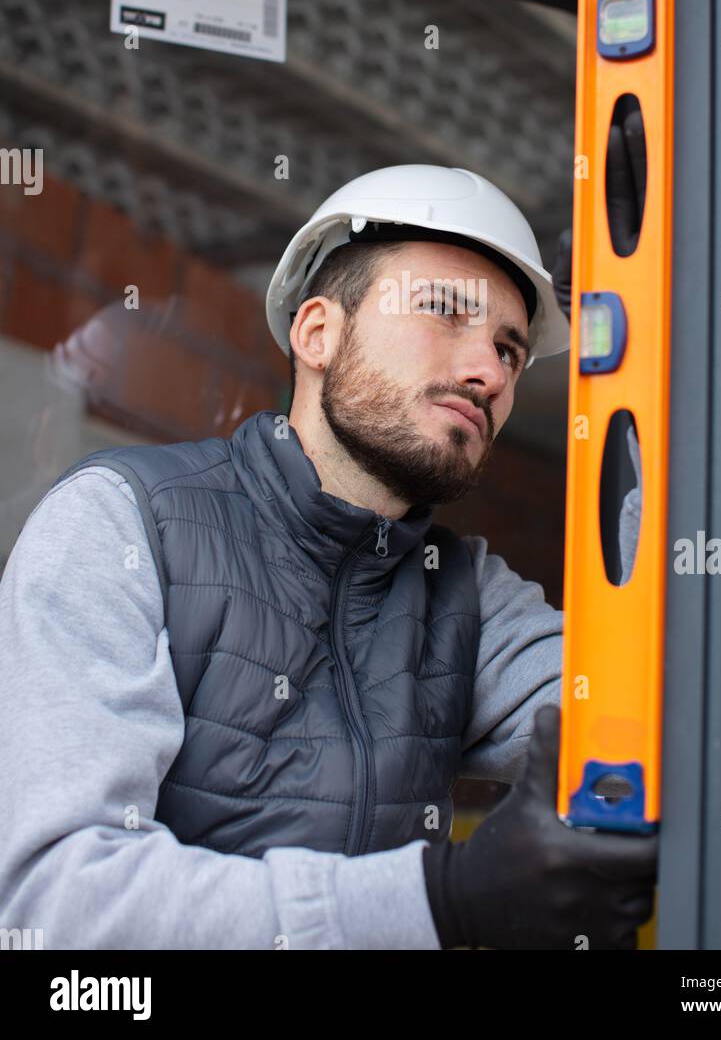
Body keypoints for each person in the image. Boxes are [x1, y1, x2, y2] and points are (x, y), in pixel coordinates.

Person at [0, 161, 655, 951]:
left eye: (510, 349)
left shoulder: (466, 593)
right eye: (445, 312)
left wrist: (651, 358)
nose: (489, 371)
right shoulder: (123, 523)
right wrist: (441, 901)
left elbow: (642, 716)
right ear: (318, 333)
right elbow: (54, 903)